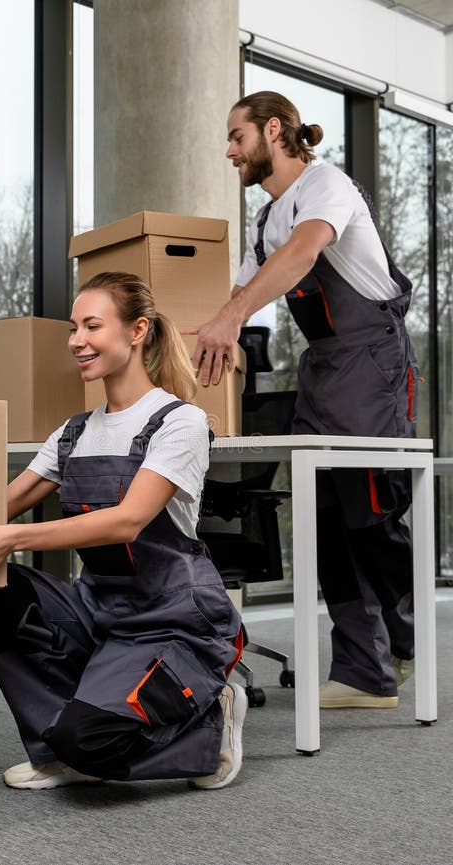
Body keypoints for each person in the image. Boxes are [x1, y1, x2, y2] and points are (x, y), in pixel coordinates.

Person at [0, 271, 246, 790]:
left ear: (137, 330)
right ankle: (57, 743)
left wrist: (8, 537)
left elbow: (127, 521)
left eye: (92, 326)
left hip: (171, 623)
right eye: (74, 328)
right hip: (101, 613)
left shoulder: (179, 422)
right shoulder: (73, 432)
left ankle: (212, 724)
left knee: (93, 743)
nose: (77, 340)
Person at [189, 91, 418, 709]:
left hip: (373, 358)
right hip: (324, 367)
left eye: (237, 136)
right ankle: (363, 673)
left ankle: (410, 639)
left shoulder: (325, 186)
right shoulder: (264, 222)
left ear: (273, 130)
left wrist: (234, 314)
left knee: (370, 508)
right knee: (324, 519)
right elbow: (237, 295)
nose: (229, 150)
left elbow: (304, 254)